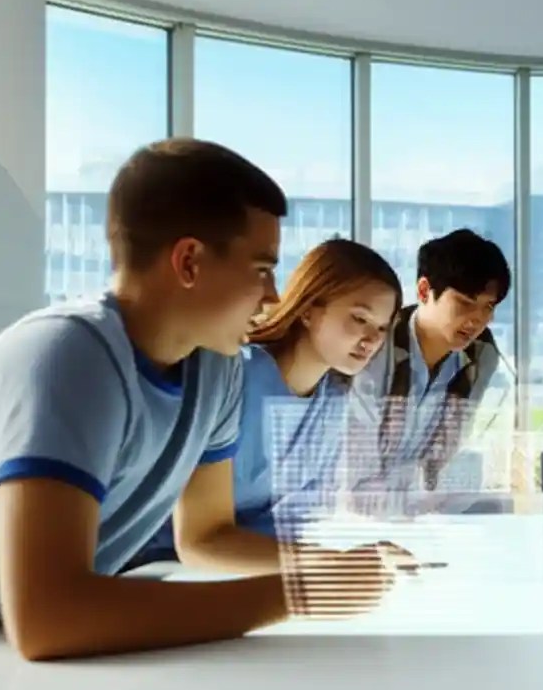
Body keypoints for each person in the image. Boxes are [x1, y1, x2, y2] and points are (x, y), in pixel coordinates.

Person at [0, 139, 408, 661]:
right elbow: (47, 618)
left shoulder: (218, 372)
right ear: (188, 262)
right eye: (261, 269)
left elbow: (207, 533)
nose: (274, 297)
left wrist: (319, 569)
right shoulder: (67, 354)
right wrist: (299, 591)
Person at [128, 239, 404, 569]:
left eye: (382, 328)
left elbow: (294, 522)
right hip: (151, 565)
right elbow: (196, 540)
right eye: (360, 318)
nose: (372, 339)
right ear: (308, 309)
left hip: (241, 568)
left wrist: (355, 556)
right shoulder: (235, 376)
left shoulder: (334, 402)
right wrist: (333, 563)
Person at [347, 228, 511, 501]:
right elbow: (355, 469)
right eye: (465, 302)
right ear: (424, 290)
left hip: (425, 514)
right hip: (355, 509)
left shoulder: (481, 357)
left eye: (488, 306)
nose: (477, 319)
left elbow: (454, 458)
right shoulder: (376, 345)